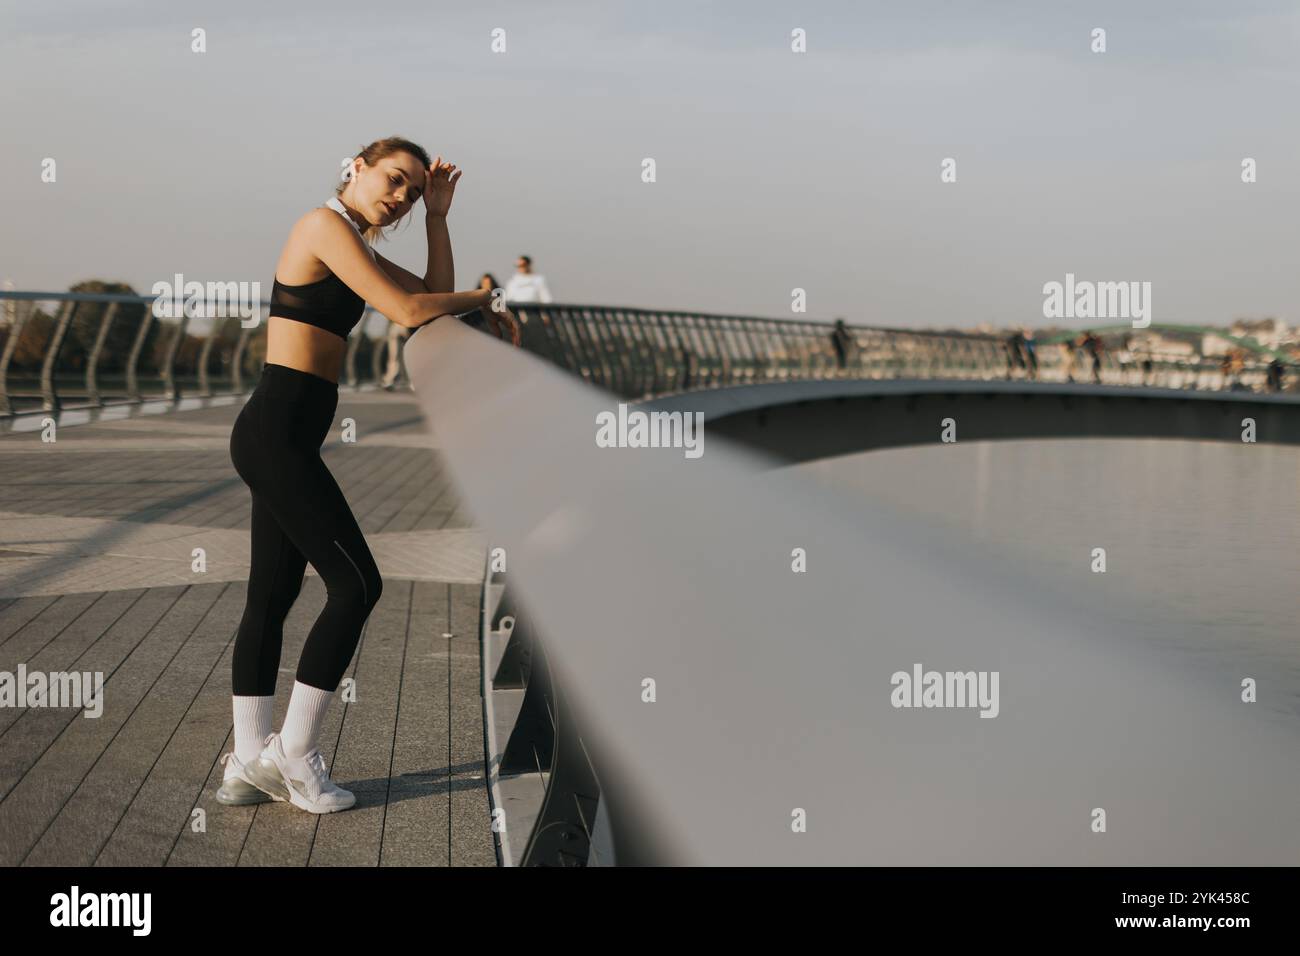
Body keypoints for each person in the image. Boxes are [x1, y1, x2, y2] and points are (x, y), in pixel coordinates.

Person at [224, 137, 520, 815]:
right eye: (396, 180)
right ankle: (293, 756)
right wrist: (485, 295)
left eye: (413, 192)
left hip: (286, 435)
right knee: (357, 585)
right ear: (355, 167)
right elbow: (413, 313)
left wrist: (440, 220)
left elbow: (424, 293)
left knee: (271, 594)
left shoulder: (353, 238)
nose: (402, 196)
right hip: (276, 435)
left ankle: (245, 763)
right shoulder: (322, 225)